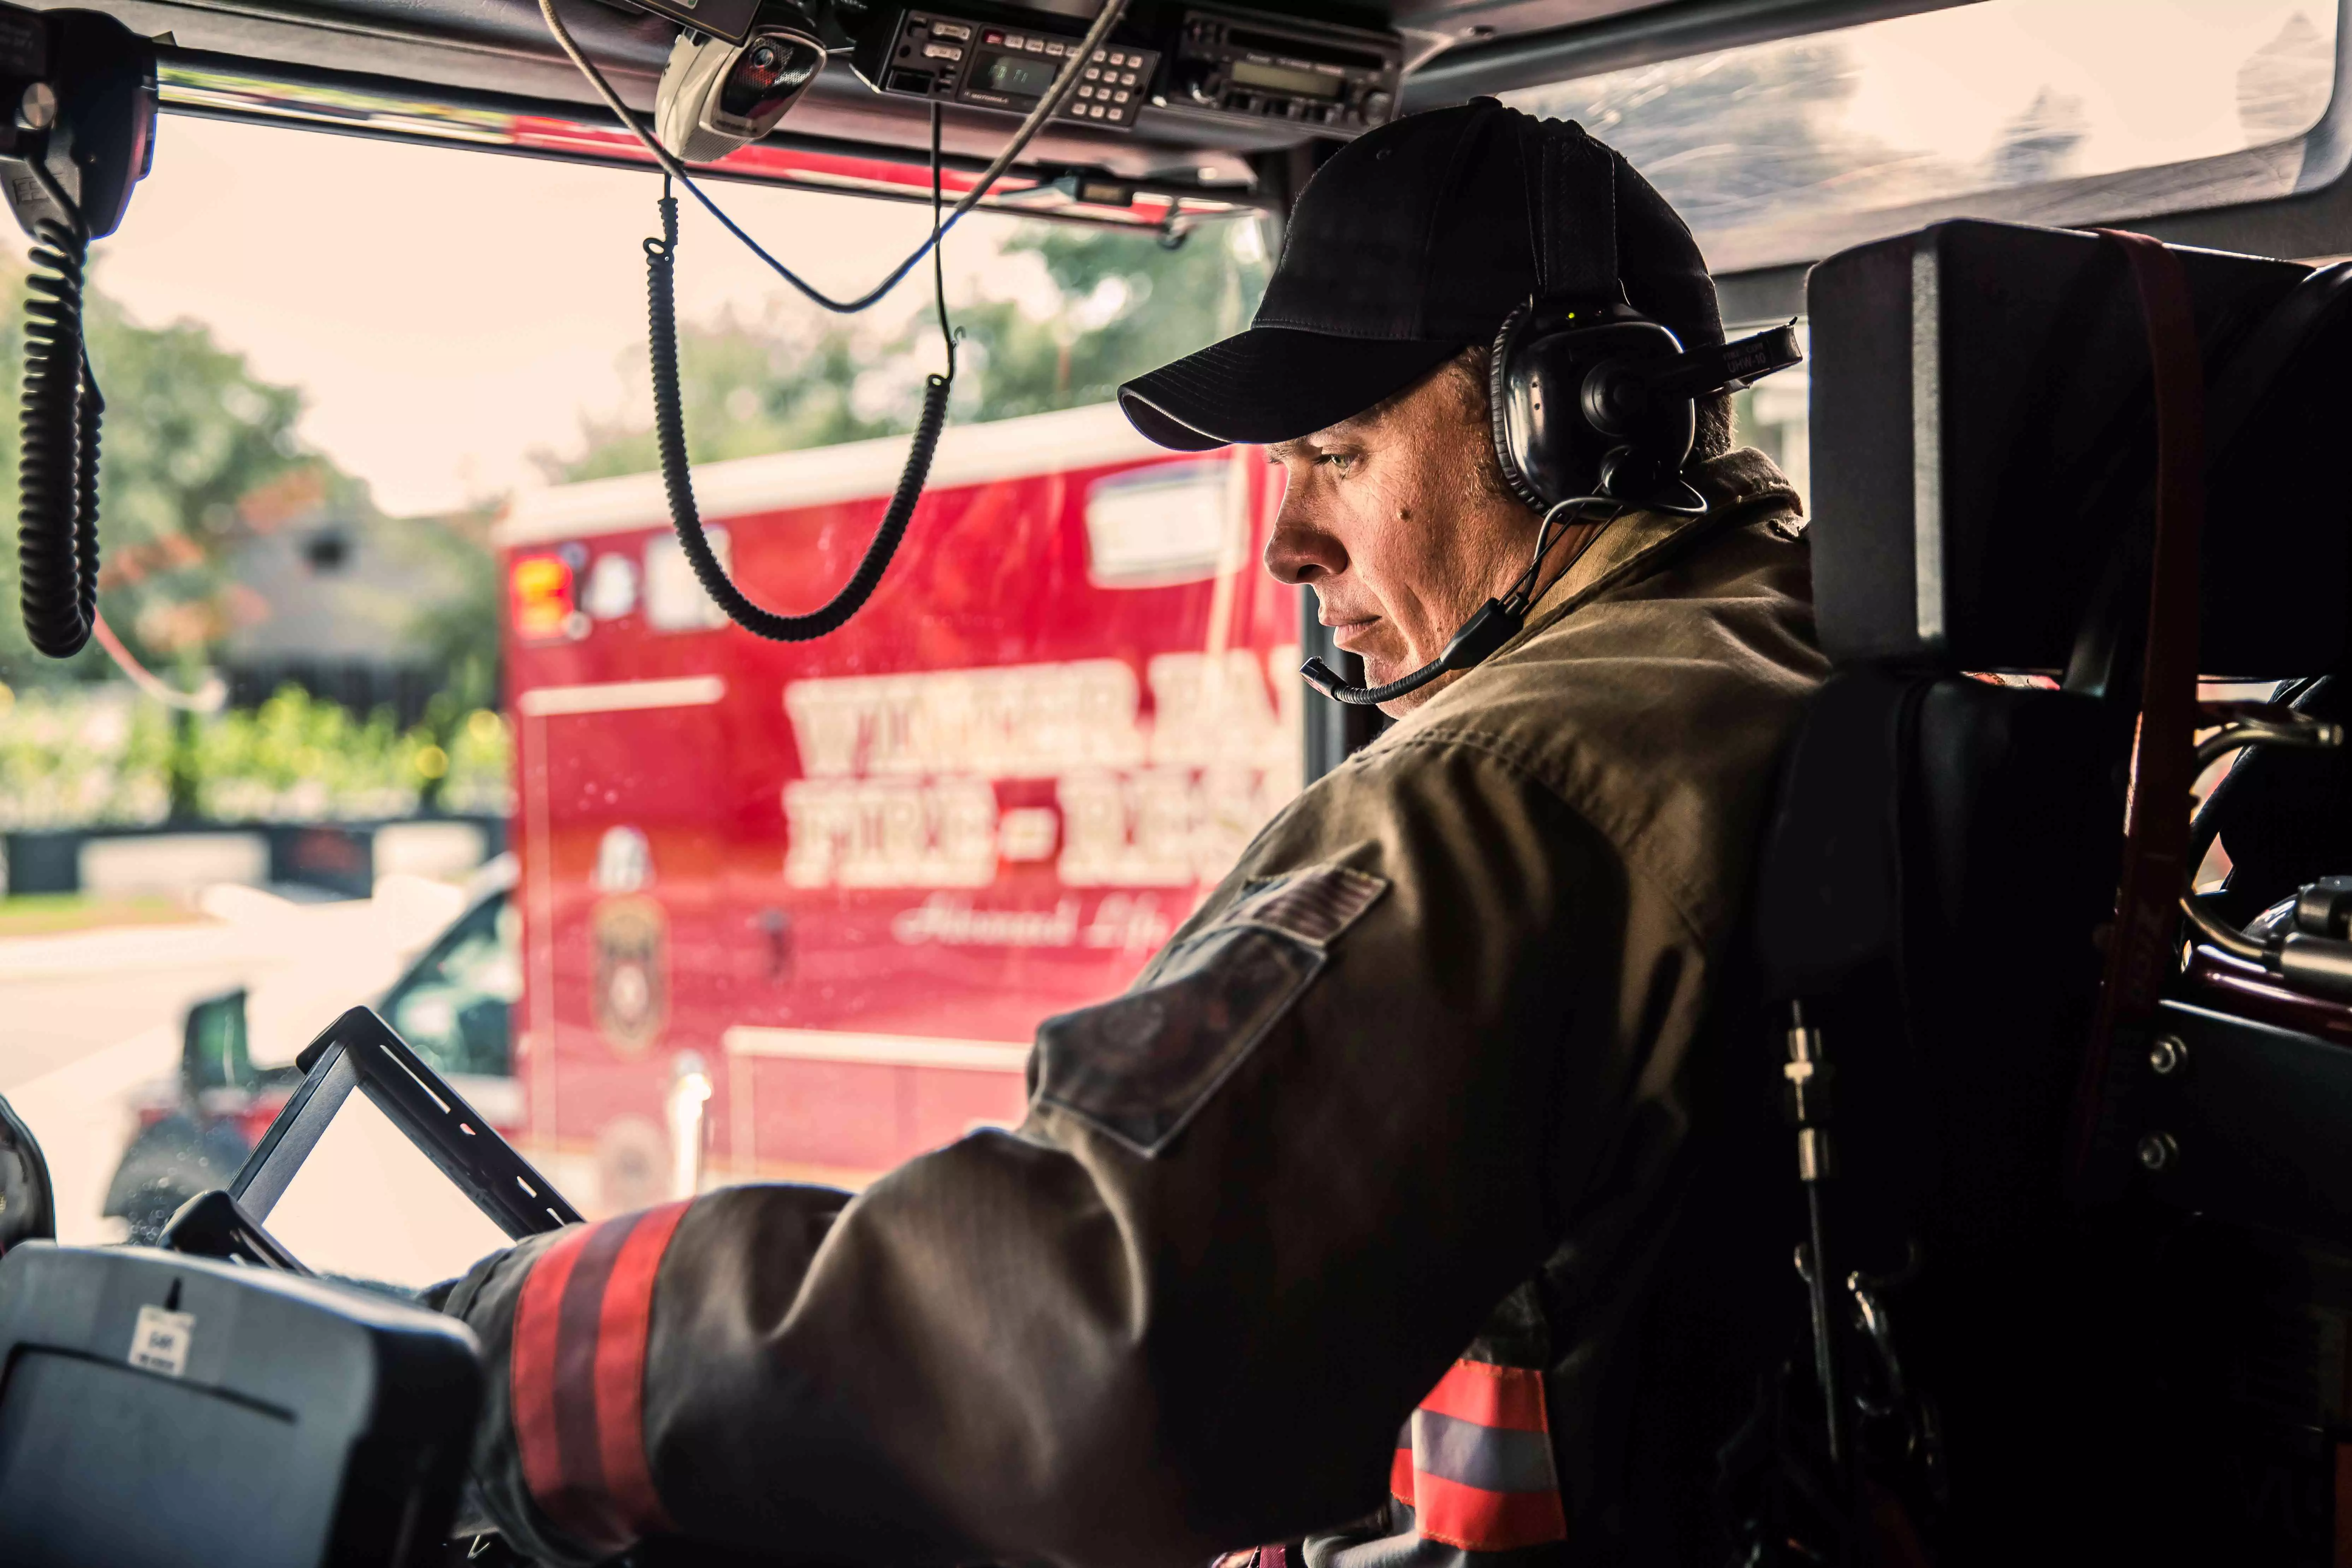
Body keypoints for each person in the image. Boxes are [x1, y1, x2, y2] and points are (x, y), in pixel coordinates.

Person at [444, 97, 1826, 1568]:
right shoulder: (1808, 648)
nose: (1287, 542)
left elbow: (1083, 1338)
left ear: (1567, 422)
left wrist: (505, 1354)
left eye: (1337, 456)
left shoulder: (1504, 790)